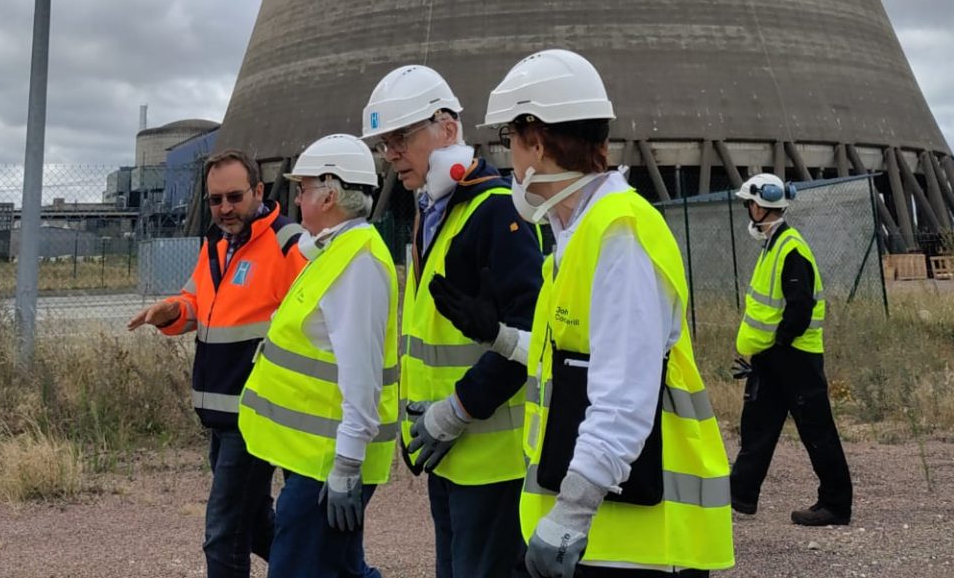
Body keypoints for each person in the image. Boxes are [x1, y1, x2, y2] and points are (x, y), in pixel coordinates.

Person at [437, 48, 732, 577]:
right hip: (606, 530)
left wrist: (570, 513)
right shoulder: (575, 237)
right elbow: (569, 367)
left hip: (634, 538)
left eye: (510, 139)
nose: (511, 158)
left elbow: (622, 398)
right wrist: (500, 337)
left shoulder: (621, 234)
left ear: (538, 137)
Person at [360, 63, 542, 578]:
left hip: (491, 459)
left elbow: (530, 337)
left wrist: (458, 409)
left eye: (400, 137)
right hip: (446, 450)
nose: (390, 153)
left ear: (447, 127)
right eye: (383, 144)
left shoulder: (495, 213)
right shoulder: (434, 209)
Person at [128, 149, 307, 578]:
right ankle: (330, 568)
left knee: (223, 536)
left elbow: (312, 325)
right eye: (215, 200)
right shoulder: (217, 245)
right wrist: (172, 311)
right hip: (219, 414)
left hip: (254, 414)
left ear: (259, 191)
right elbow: (197, 304)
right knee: (258, 525)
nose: (224, 208)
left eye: (234, 197)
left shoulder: (288, 245)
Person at [238, 134, 398, 578]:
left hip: (328, 463)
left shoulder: (357, 262)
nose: (297, 199)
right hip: (315, 456)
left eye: (303, 189)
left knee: (300, 567)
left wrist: (347, 466)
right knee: (340, 568)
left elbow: (360, 374)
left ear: (330, 193)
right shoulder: (336, 253)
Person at [727, 173, 853, 527]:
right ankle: (740, 495)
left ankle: (836, 505)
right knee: (757, 426)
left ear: (757, 206)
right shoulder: (774, 244)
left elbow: (799, 307)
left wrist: (779, 345)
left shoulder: (790, 247)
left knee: (816, 431)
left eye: (747, 205)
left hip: (794, 358)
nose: (746, 211)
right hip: (773, 357)